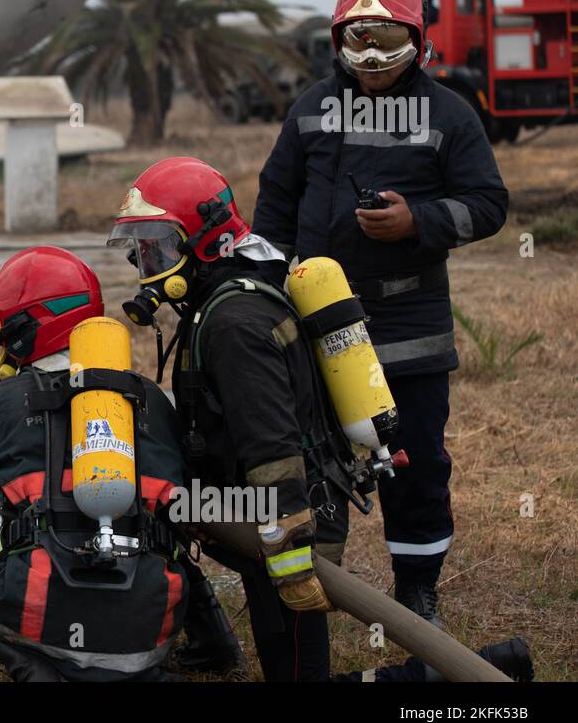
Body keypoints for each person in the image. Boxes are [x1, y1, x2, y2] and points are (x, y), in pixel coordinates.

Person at [108, 157, 530, 682]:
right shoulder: (227, 294)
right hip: (260, 506)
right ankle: (211, 640)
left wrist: (288, 556)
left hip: (286, 516)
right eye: (142, 249)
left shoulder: (234, 323)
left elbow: (271, 443)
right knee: (144, 501)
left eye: (160, 246)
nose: (146, 263)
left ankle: (462, 675)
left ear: (208, 242)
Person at [253, 0, 508, 627]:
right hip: (314, 322)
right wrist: (266, 280)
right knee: (313, 458)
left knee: (414, 462)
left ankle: (417, 586)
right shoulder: (311, 109)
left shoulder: (450, 113)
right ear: (339, 39)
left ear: (416, 41)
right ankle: (314, 582)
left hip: (409, 325)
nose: (369, 59)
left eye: (384, 41)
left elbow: (489, 204)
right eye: (356, 41)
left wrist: (416, 222)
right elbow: (276, 205)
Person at [0, 245, 218, 681]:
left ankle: (38, 671)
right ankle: (193, 657)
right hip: (148, 625)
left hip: (39, 610)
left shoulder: (5, 401)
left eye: (3, 328)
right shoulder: (150, 399)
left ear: (27, 331)